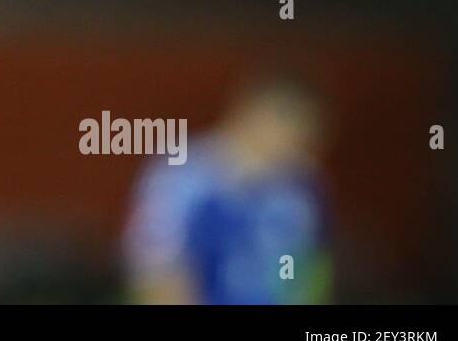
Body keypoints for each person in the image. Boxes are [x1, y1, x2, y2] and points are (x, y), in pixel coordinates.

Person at [122, 72, 331, 304]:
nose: (298, 148)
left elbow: (297, 268)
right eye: (292, 130)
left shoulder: (300, 188)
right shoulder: (183, 175)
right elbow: (156, 267)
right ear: (252, 114)